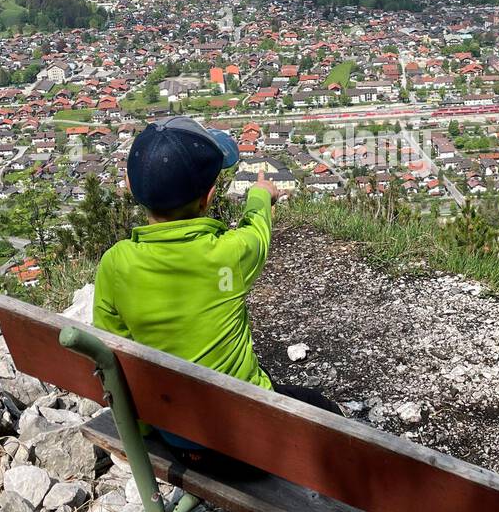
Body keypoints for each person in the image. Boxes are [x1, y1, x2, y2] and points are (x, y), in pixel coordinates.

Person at [92, 115, 342, 468]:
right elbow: (257, 230)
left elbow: (110, 352)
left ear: (132, 185)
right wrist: (260, 195)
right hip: (249, 447)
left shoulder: (115, 265)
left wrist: (147, 426)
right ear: (209, 198)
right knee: (327, 411)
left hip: (174, 439)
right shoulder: (229, 253)